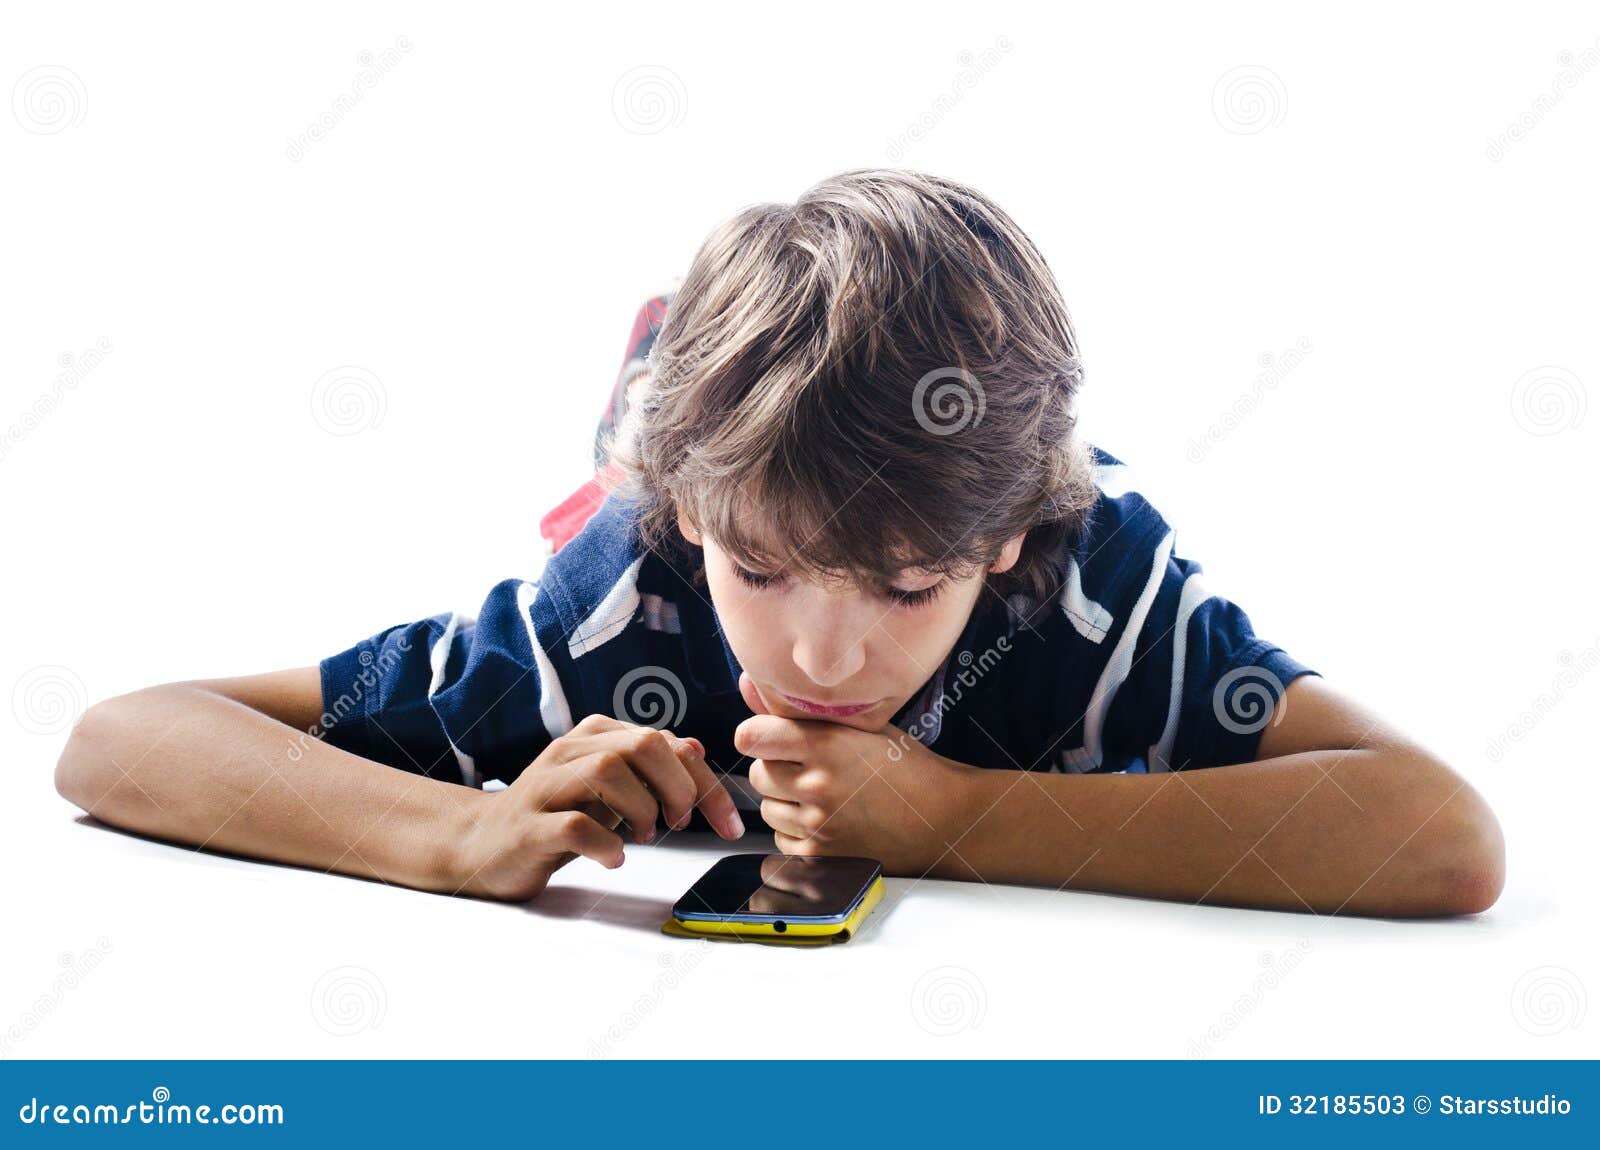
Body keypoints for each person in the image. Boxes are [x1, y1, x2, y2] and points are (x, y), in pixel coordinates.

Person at [54, 169, 1504, 916]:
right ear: (694, 532)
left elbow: (1443, 834)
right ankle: (655, 386)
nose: (821, 654)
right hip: (663, 467)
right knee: (650, 444)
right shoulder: (622, 609)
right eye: (762, 572)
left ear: (1001, 541)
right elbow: (122, 737)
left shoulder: (1093, 575)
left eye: (905, 587)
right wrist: (462, 825)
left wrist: (956, 817)